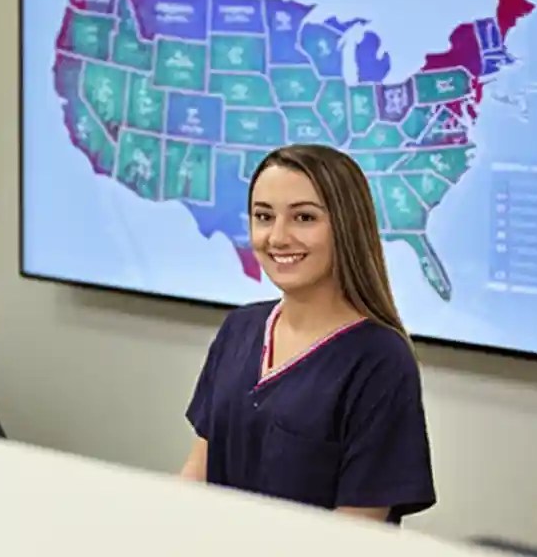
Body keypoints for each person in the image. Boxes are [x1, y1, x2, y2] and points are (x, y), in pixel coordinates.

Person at [179, 143, 435, 524]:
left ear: (346, 227)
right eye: (263, 217)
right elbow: (195, 477)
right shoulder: (240, 329)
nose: (278, 237)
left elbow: (357, 532)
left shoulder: (380, 360)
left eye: (303, 218)